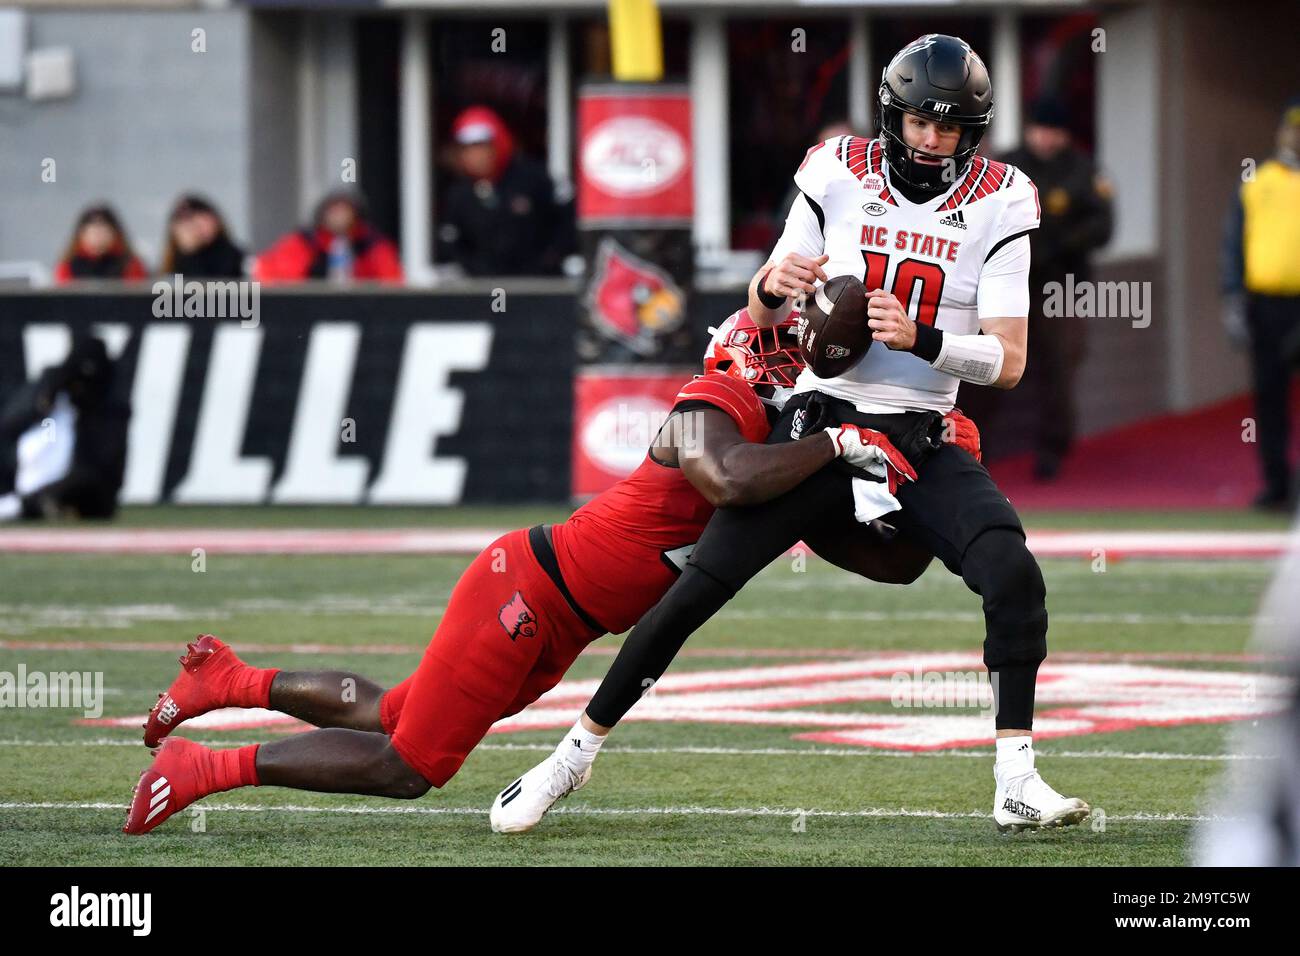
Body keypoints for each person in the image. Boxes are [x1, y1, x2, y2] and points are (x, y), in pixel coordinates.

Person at [492, 34, 1089, 837]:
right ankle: (568, 757)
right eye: (918, 123)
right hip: (821, 415)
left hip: (918, 432)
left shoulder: (1005, 197)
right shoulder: (836, 171)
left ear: (973, 131)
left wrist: (925, 340)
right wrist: (773, 286)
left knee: (1011, 570)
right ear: (892, 115)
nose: (930, 141)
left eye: (948, 129)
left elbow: (1009, 362)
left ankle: (1015, 779)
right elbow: (770, 306)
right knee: (697, 589)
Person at [123, 309, 982, 835]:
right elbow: (724, 478)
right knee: (412, 766)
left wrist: (924, 474)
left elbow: (889, 566)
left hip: (564, 623)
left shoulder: (786, 457)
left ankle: (230, 678)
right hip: (526, 592)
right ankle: (206, 769)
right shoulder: (711, 409)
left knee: (394, 715)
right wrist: (838, 442)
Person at [1002, 98, 1113, 480]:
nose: (1046, 139)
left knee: (1059, 368)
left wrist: (1060, 243)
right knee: (987, 363)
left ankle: (1052, 448)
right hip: (1008, 284)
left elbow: (1103, 226)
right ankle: (968, 442)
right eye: (1040, 129)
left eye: (1054, 131)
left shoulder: (1082, 171)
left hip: (1062, 287)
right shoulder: (1008, 166)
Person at [1222, 97, 1300, 511]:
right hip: (1266, 304)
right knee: (1269, 398)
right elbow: (1234, 242)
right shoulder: (1258, 180)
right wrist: (1233, 298)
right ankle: (1277, 483)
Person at [0, 335, 130, 521]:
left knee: (83, 479)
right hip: (35, 478)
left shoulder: (108, 410)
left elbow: (103, 466)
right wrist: (44, 403)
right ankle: (35, 502)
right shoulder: (53, 404)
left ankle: (36, 503)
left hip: (84, 488)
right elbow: (26, 432)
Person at [437, 105, 569, 276]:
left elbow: (565, 223)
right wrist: (477, 271)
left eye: (482, 146)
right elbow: (451, 243)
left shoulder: (532, 179)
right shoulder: (460, 195)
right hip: (486, 289)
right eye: (468, 149)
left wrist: (549, 261)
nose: (476, 155)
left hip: (537, 284)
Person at [254, 190, 403, 283]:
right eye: (334, 212)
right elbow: (278, 276)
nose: (339, 217)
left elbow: (391, 281)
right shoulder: (305, 242)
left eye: (344, 211)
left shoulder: (371, 244)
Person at [53, 205, 148, 283]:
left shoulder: (130, 265)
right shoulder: (68, 267)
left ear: (115, 233)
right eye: (93, 231)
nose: (98, 236)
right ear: (81, 235)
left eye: (103, 230)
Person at [159, 194, 245, 279]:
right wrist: (188, 251)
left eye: (202, 219)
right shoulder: (173, 265)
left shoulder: (234, 257)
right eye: (189, 223)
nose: (197, 228)